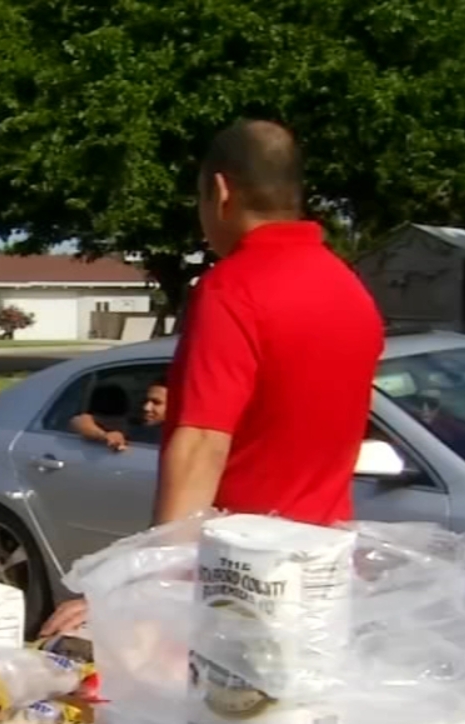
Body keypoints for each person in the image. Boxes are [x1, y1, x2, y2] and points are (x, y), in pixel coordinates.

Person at [41, 120, 383, 637]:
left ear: (220, 192)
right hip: (324, 575)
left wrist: (145, 589)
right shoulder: (350, 289)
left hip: (241, 585)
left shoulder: (233, 289)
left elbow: (201, 444)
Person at [70, 380, 168, 450]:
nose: (146, 407)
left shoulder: (179, 435)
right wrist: (105, 435)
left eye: (156, 402)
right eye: (146, 401)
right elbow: (79, 421)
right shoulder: (131, 425)